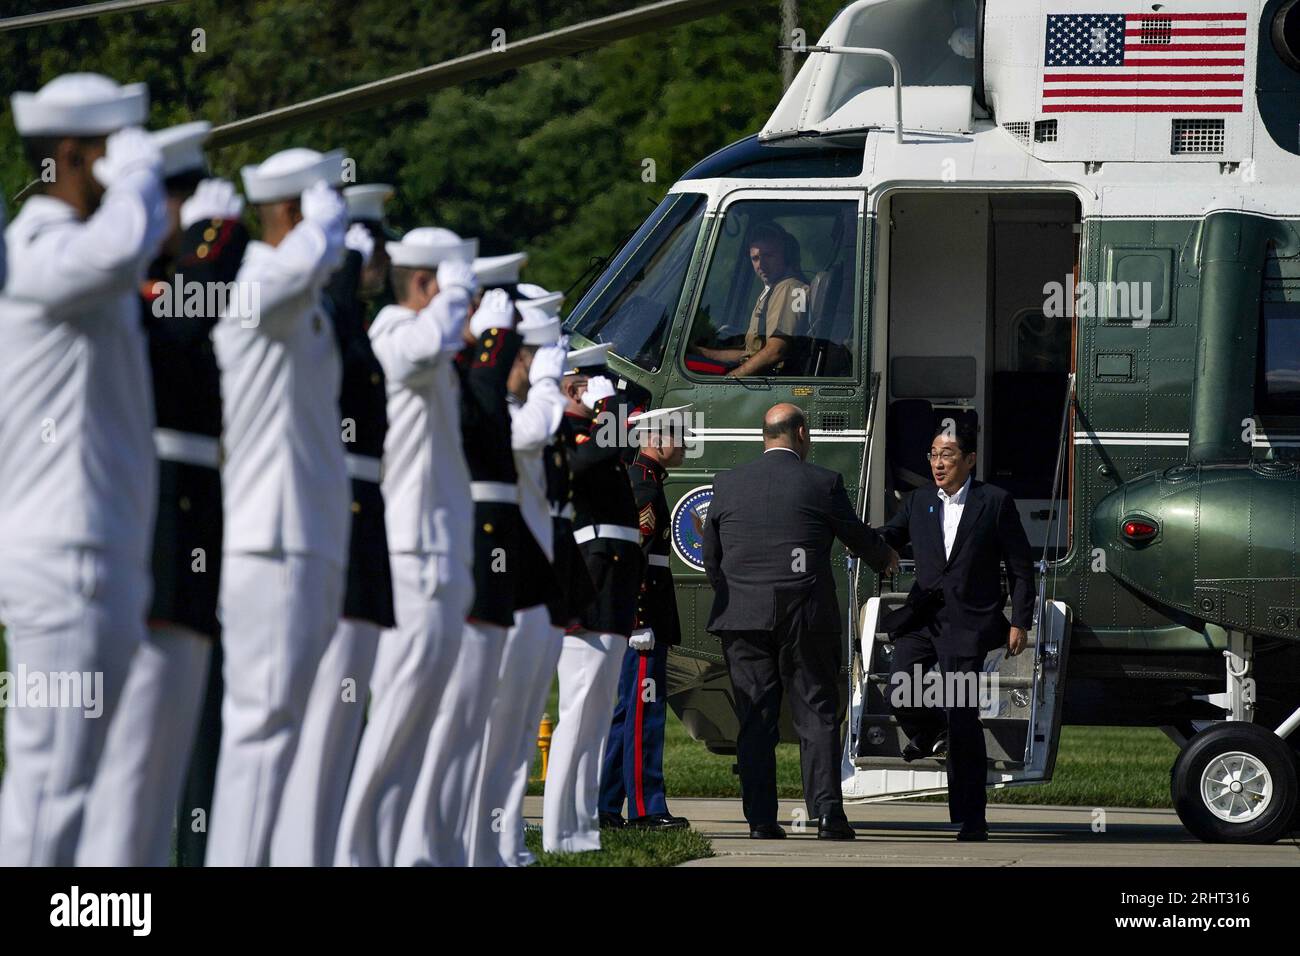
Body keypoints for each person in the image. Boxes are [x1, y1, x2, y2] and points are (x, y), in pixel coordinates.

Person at [0, 73, 168, 866]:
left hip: (97, 558)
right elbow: (117, 249)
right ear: (77, 157)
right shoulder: (40, 253)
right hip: (64, 563)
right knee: (51, 786)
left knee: (87, 786)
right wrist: (136, 177)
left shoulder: (80, 260)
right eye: (112, 148)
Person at [78, 122, 246, 866]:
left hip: (178, 519)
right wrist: (217, 240)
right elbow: (184, 317)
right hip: (141, 522)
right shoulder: (110, 285)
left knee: (186, 710)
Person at [205, 148, 351, 866]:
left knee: (292, 728)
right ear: (295, 211)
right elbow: (304, 260)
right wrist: (320, 214)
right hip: (270, 537)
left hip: (305, 534)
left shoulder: (301, 293)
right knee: (262, 727)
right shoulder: (261, 281)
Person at [333, 227, 477, 866]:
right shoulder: (396, 333)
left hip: (442, 552)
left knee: (422, 723)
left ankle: (405, 853)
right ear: (427, 284)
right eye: (456, 288)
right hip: (412, 553)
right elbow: (426, 345)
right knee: (394, 719)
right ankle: (355, 853)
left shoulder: (428, 343)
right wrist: (456, 293)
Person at [702, 403, 897, 841]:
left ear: (764, 436)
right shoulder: (822, 482)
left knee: (755, 719)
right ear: (803, 434)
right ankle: (828, 815)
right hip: (804, 616)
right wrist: (885, 556)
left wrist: (737, 592)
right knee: (817, 713)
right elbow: (856, 536)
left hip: (742, 618)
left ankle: (760, 821)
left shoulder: (727, 484)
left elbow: (711, 558)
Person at [270, 194, 396, 866]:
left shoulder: (352, 322)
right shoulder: (332, 318)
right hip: (337, 506)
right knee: (327, 708)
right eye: (373, 250)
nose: (382, 263)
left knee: (345, 705)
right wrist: (343, 257)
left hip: (357, 508)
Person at [878, 421, 1035, 841]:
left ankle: (971, 818)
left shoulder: (995, 502)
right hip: (923, 618)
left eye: (947, 455)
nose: (938, 463)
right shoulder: (917, 501)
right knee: (898, 690)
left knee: (963, 717)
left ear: (969, 459)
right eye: (932, 454)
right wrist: (860, 538)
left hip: (967, 624)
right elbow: (887, 537)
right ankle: (930, 730)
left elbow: (1021, 567)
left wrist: (1020, 619)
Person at [465, 285, 571, 867]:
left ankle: (501, 843)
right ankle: (475, 843)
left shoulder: (515, 408)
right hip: (493, 580)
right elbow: (534, 429)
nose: (529, 365)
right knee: (488, 731)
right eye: (526, 353)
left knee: (515, 732)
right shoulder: (491, 411)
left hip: (528, 580)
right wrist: (552, 377)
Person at [542, 343, 646, 853]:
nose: (594, 391)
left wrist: (613, 406)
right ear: (564, 384)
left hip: (616, 574)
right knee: (580, 707)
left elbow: (622, 435)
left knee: (597, 712)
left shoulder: (598, 428)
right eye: (584, 382)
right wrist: (612, 407)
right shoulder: (557, 430)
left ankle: (580, 825)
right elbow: (594, 455)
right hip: (588, 574)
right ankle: (561, 824)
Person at [598, 405, 693, 831]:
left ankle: (605, 804)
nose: (686, 442)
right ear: (654, 439)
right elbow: (631, 557)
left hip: (645, 619)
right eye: (678, 435)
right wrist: (637, 623)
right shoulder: (645, 486)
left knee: (629, 714)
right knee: (643, 715)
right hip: (643, 623)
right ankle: (645, 808)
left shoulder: (646, 481)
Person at [692, 223, 809, 377]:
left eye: (768, 256)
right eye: (755, 258)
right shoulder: (772, 290)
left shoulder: (790, 288)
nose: (761, 264)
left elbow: (776, 350)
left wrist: (731, 379)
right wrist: (701, 352)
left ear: (784, 255)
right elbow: (750, 355)